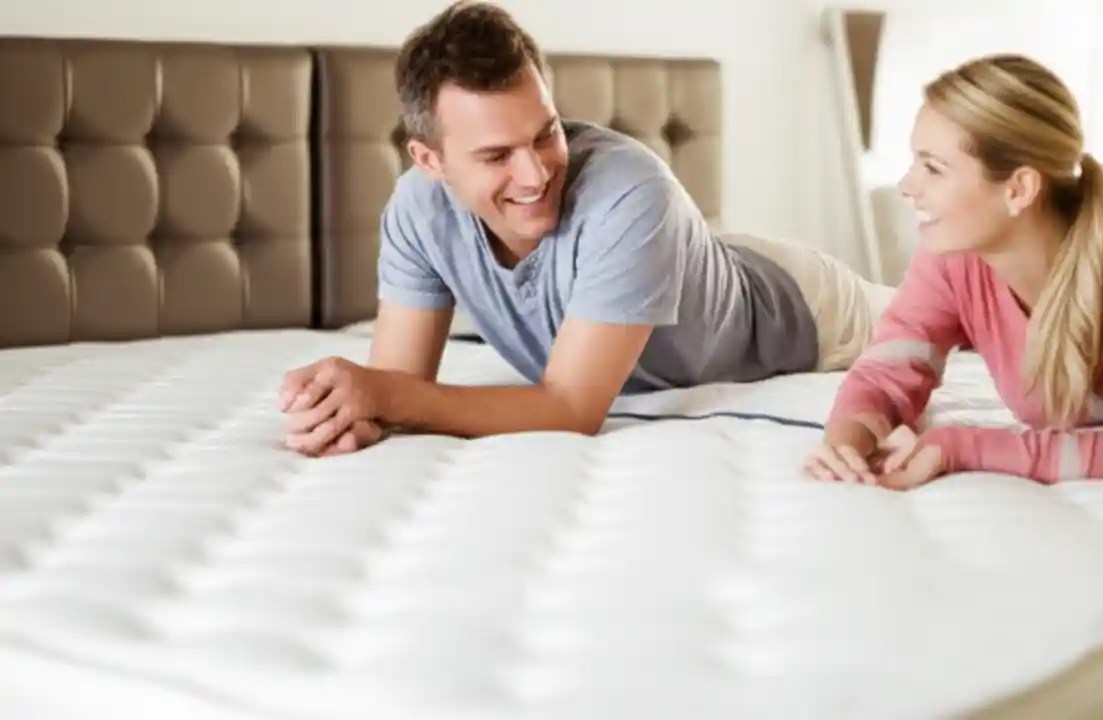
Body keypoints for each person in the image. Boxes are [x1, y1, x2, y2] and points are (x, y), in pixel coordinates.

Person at [278, 0, 891, 457]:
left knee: (955, 313)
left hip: (803, 307)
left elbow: (571, 408)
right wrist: (343, 412)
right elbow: (399, 388)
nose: (535, 171)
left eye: (546, 132)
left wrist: (383, 398)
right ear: (430, 161)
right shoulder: (417, 211)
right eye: (496, 156)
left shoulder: (629, 190)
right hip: (683, 265)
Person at [805, 53, 1103, 489]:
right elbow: (885, 379)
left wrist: (960, 446)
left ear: (1019, 189)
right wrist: (847, 440)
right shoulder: (953, 255)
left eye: (933, 168)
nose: (908, 186)